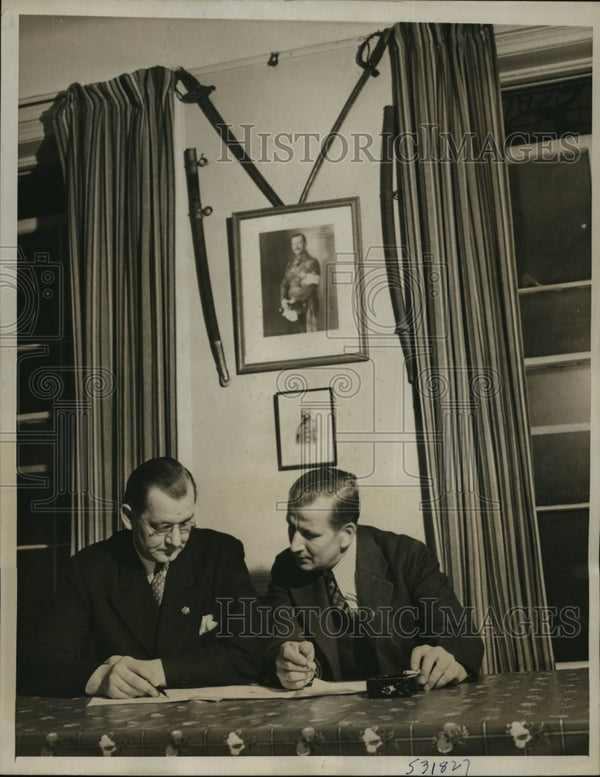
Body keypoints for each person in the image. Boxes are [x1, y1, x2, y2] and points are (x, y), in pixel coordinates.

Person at [20, 456, 263, 698]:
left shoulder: (222, 554)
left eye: (186, 523)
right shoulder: (88, 569)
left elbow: (251, 652)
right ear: (128, 517)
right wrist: (99, 678)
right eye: (162, 527)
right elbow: (38, 663)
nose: (176, 541)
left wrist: (158, 670)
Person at [264, 467, 484, 691]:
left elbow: (461, 635)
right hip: (332, 712)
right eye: (291, 528)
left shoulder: (406, 555)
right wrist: (287, 661)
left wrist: (450, 660)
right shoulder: (286, 568)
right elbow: (279, 639)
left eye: (310, 534)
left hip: (411, 703)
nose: (294, 545)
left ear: (347, 534)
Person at [279, 232, 320, 333]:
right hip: (289, 308)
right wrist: (283, 299)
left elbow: (310, 286)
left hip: (306, 308)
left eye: (299, 243)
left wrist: (294, 299)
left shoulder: (312, 262)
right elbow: (284, 284)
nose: (296, 246)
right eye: (294, 244)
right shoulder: (290, 265)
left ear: (305, 244)